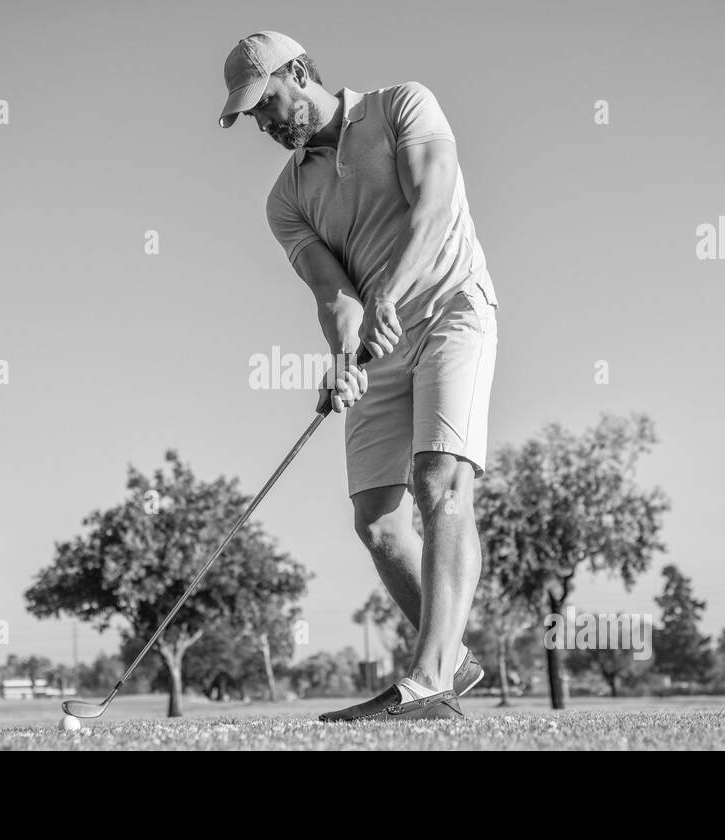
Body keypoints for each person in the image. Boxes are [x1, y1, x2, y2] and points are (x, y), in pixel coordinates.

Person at [219, 32, 499, 720]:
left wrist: (387, 297)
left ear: (299, 71)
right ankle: (455, 661)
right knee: (375, 520)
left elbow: (432, 206)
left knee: (440, 482)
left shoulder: (402, 105)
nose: (264, 123)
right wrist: (343, 360)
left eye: (267, 102)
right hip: (381, 343)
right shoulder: (286, 198)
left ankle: (428, 680)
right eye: (252, 116)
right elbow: (334, 296)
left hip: (452, 312)